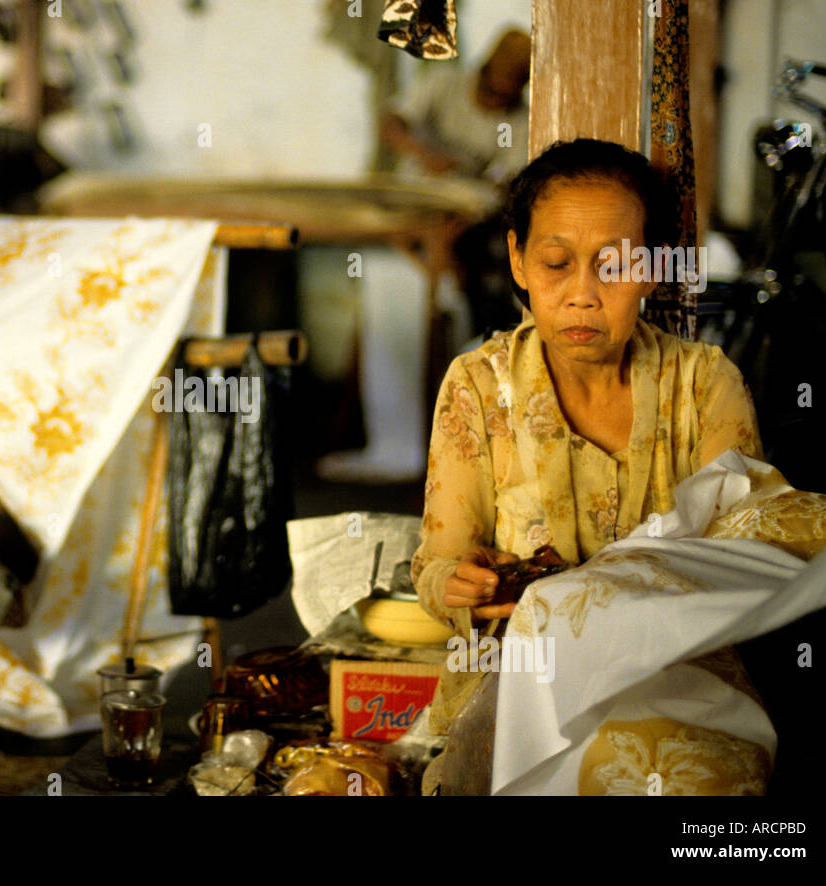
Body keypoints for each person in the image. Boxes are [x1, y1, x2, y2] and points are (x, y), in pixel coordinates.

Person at [410, 138, 764, 736]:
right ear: (518, 262)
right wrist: (458, 584)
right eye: (556, 263)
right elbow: (436, 566)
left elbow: (744, 566)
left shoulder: (705, 386)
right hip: (518, 687)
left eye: (616, 265)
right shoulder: (476, 385)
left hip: (672, 685)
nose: (582, 293)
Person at [317, 30, 531, 484]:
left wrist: (472, 204)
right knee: (408, 246)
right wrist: (429, 156)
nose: (496, 102)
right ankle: (422, 255)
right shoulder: (442, 85)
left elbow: (506, 186)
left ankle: (433, 439)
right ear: (481, 73)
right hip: (409, 205)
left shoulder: (520, 122)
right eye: (490, 91)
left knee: (450, 251)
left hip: (459, 225)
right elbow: (390, 124)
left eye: (506, 97)